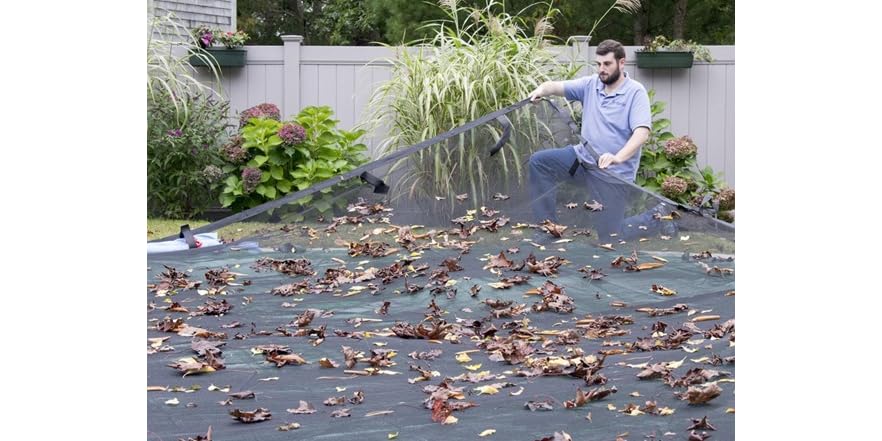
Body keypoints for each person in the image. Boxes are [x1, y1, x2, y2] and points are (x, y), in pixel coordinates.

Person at [526, 39, 677, 242]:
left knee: (611, 237)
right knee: (540, 162)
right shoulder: (591, 85)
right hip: (582, 161)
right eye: (598, 64)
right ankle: (548, 229)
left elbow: (642, 133)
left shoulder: (635, 92)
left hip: (613, 174)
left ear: (621, 63)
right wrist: (541, 91)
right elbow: (555, 86)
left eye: (607, 64)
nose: (601, 70)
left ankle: (657, 215)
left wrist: (617, 158)